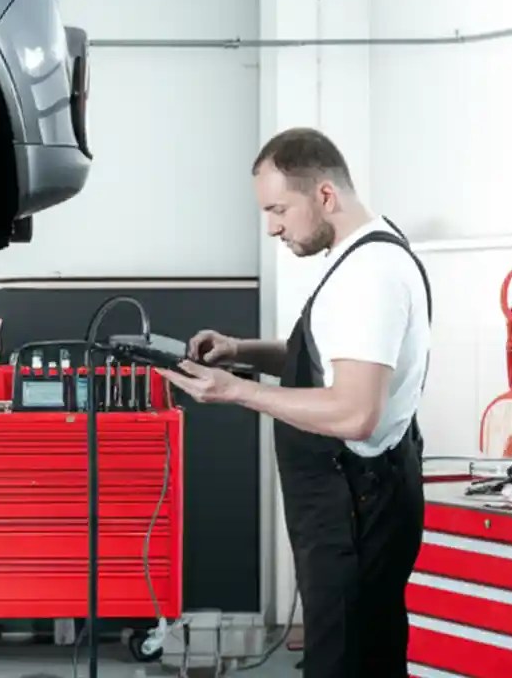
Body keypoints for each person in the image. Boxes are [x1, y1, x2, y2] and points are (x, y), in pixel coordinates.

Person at [157, 127, 432, 677]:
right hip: (360, 505)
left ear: (324, 195)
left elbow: (355, 413)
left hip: (356, 510)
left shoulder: (369, 276)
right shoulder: (359, 255)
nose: (272, 226)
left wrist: (236, 391)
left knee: (344, 664)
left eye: (279, 208)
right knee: (363, 658)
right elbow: (326, 361)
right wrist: (241, 351)